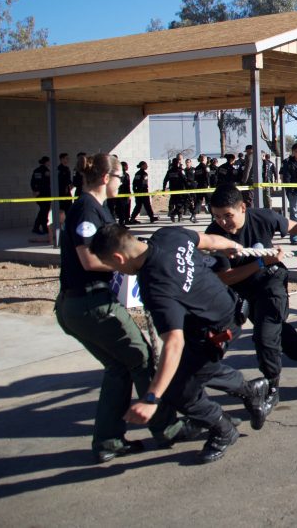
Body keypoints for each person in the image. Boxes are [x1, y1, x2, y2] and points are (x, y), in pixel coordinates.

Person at [88, 223, 272, 464]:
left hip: (215, 331)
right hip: (226, 310)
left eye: (112, 266)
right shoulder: (168, 235)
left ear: (117, 257)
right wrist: (231, 246)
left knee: (178, 391)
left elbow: (174, 343)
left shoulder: (155, 286)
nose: (116, 271)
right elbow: (210, 241)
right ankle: (251, 391)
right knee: (194, 370)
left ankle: (223, 429)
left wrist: (151, 398)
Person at [54, 154, 190, 463]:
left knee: (119, 367)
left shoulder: (94, 208)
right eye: (119, 178)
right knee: (142, 358)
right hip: (92, 303)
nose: (121, 184)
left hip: (79, 304)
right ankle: (167, 427)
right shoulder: (87, 210)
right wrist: (132, 266)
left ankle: (108, 440)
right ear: (106, 179)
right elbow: (89, 259)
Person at [206, 184, 297, 408]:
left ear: (242, 208)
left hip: (271, 281)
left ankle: (271, 388)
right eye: (217, 216)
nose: (222, 222)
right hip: (244, 288)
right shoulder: (214, 235)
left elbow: (294, 227)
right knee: (277, 333)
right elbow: (226, 278)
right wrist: (260, 262)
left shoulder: (263, 217)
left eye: (228, 216)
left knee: (265, 336)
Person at [30, 156, 51, 235]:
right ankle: (37, 227)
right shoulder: (46, 171)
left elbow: (32, 182)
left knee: (43, 211)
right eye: (49, 162)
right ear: (46, 162)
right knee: (44, 212)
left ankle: (43, 227)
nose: (49, 163)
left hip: (39, 195)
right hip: (45, 194)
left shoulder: (36, 171)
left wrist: (35, 191)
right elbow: (46, 184)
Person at [57, 153, 73, 219]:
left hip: (67, 192)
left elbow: (68, 180)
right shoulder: (58, 169)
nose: (67, 160)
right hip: (61, 192)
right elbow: (59, 181)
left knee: (69, 208)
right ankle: (61, 225)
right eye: (66, 158)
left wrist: (70, 185)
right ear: (62, 159)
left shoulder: (67, 169)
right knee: (61, 209)